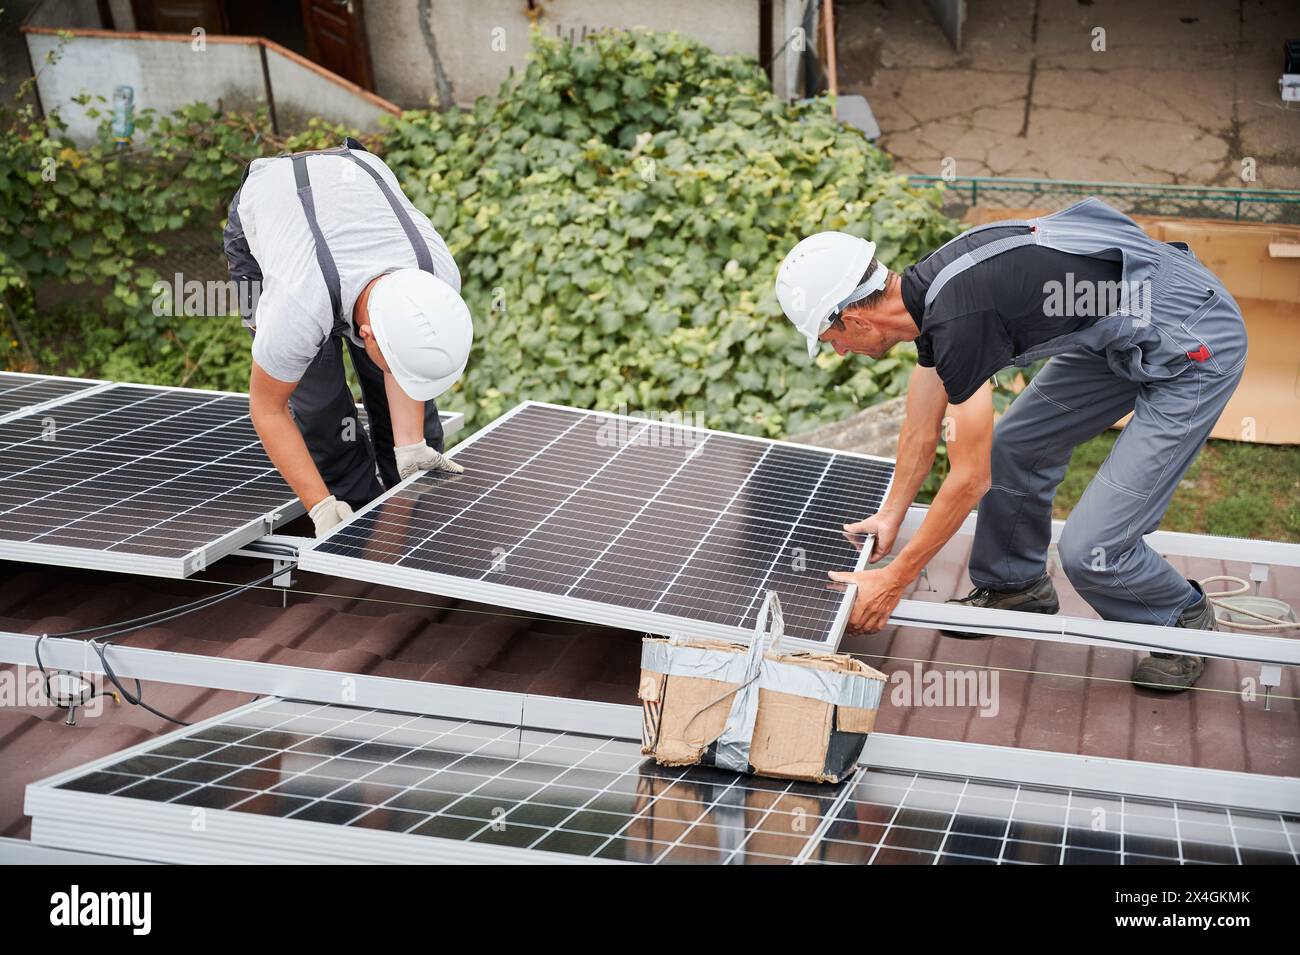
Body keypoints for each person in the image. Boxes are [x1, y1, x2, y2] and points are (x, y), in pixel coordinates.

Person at [775, 198, 1247, 691]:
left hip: (1193, 340)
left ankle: (1181, 619)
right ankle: (1016, 585)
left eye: (831, 338)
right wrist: (892, 512)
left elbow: (970, 478)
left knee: (1092, 549)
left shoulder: (959, 317)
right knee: (1015, 446)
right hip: (1123, 330)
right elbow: (921, 427)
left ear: (857, 319)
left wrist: (895, 580)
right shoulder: (928, 295)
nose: (839, 350)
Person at [224, 138, 472, 538]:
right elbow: (268, 410)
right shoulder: (297, 310)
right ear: (367, 334)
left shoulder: (436, 278)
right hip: (272, 205)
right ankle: (354, 515)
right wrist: (318, 506)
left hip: (352, 179)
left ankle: (409, 502)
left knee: (410, 412)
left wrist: (410, 446)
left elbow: (406, 354)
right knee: (321, 409)